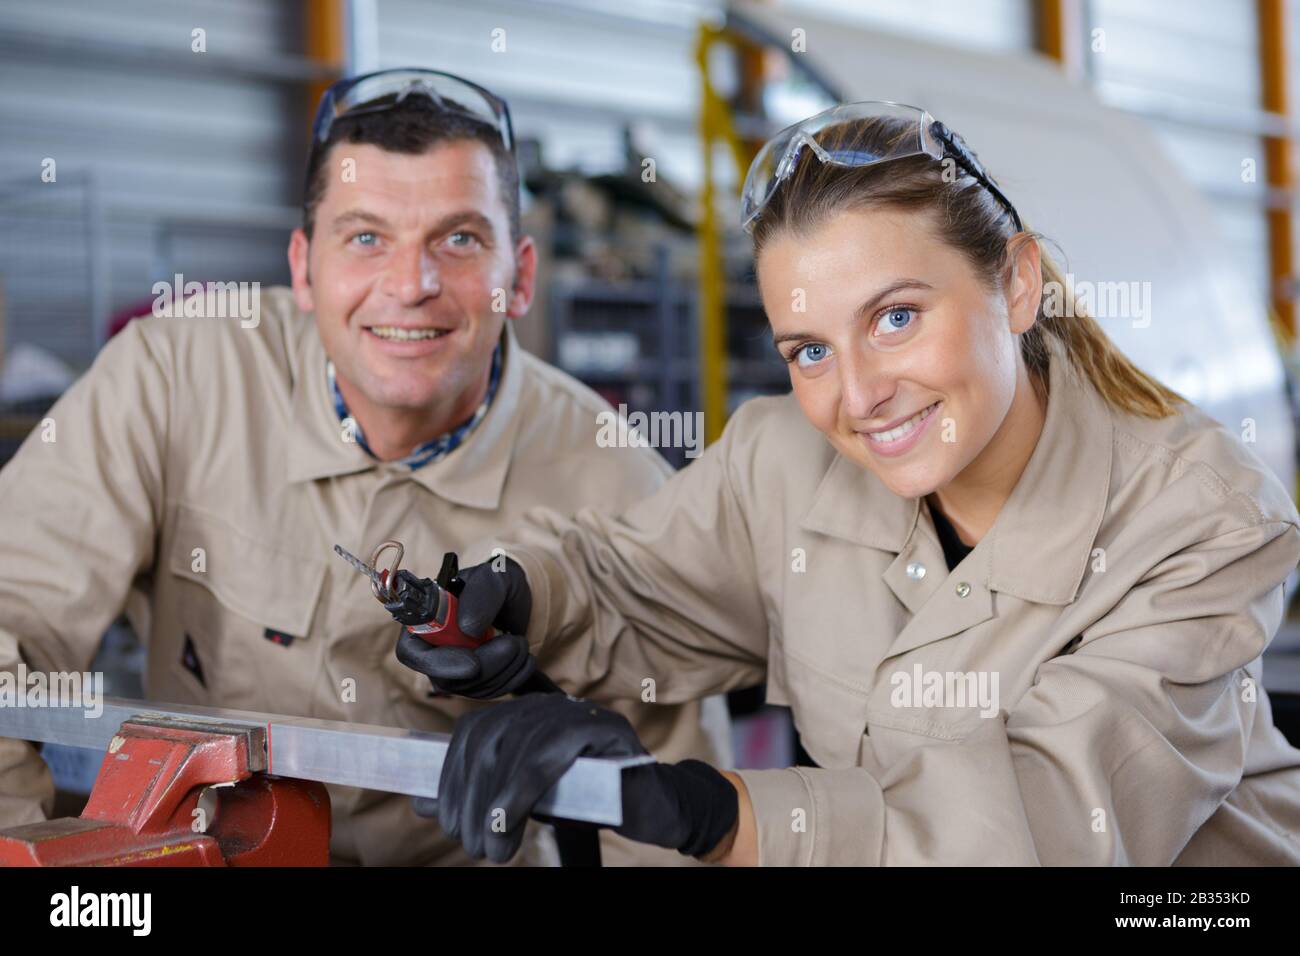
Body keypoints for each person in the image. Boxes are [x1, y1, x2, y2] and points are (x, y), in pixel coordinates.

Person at [408, 102, 1300, 865]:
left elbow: (1049, 823)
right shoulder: (785, 461)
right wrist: (521, 600)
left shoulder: (1200, 515)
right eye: (811, 351)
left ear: (1018, 283)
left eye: (897, 317)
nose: (860, 396)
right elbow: (639, 590)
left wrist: (715, 814)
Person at [0, 68, 730, 866]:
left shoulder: (618, 480)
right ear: (303, 267)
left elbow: (674, 819)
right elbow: (11, 617)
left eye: (458, 239)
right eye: (366, 237)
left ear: (518, 277)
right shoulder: (170, 377)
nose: (410, 286)